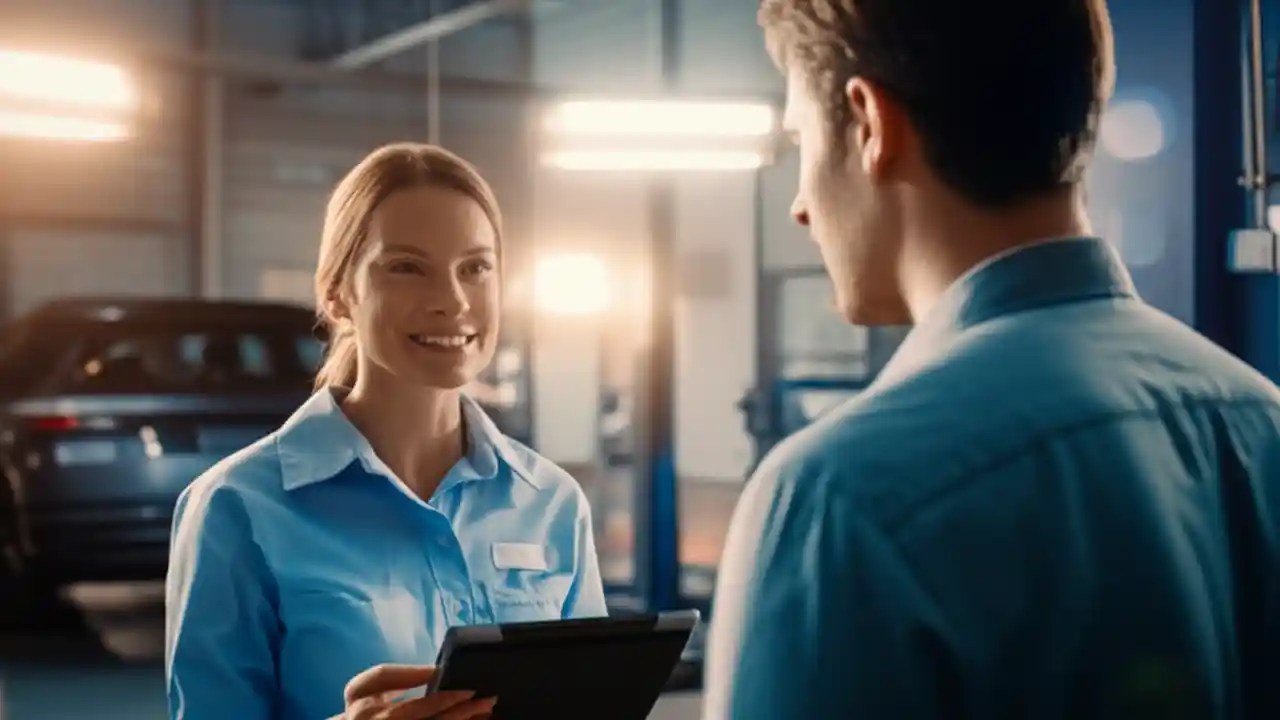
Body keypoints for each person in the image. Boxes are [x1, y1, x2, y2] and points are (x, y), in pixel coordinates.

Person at [705, 1, 1280, 718]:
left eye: (800, 142)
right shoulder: (1262, 421)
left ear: (868, 125)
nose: (800, 203)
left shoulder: (840, 499)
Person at [165, 143, 607, 720]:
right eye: (406, 268)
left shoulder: (550, 502)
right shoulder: (237, 508)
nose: (451, 301)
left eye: (475, 268)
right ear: (337, 292)